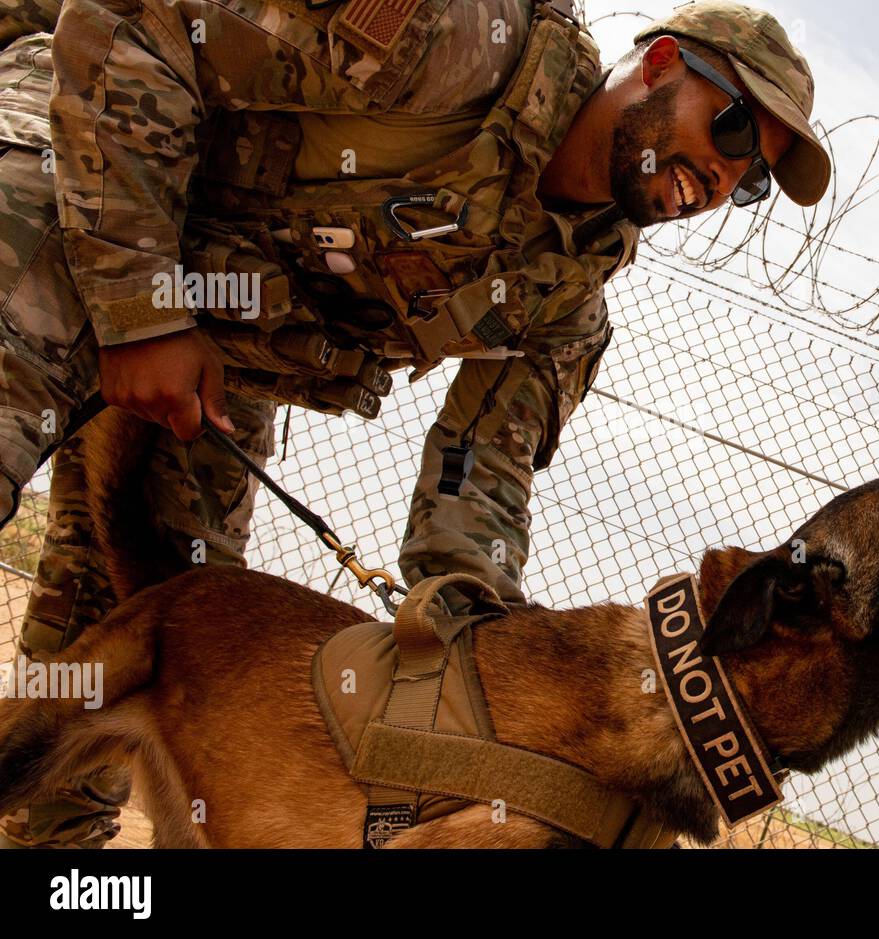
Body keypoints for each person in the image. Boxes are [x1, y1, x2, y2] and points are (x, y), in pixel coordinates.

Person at [0, 0, 830, 846]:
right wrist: (145, 308)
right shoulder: (459, 37)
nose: (727, 180)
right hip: (75, 164)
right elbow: (133, 22)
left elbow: (481, 483)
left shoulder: (567, 291)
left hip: (214, 346)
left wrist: (480, 655)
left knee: (141, 622)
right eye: (733, 129)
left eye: (752, 179)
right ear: (658, 63)